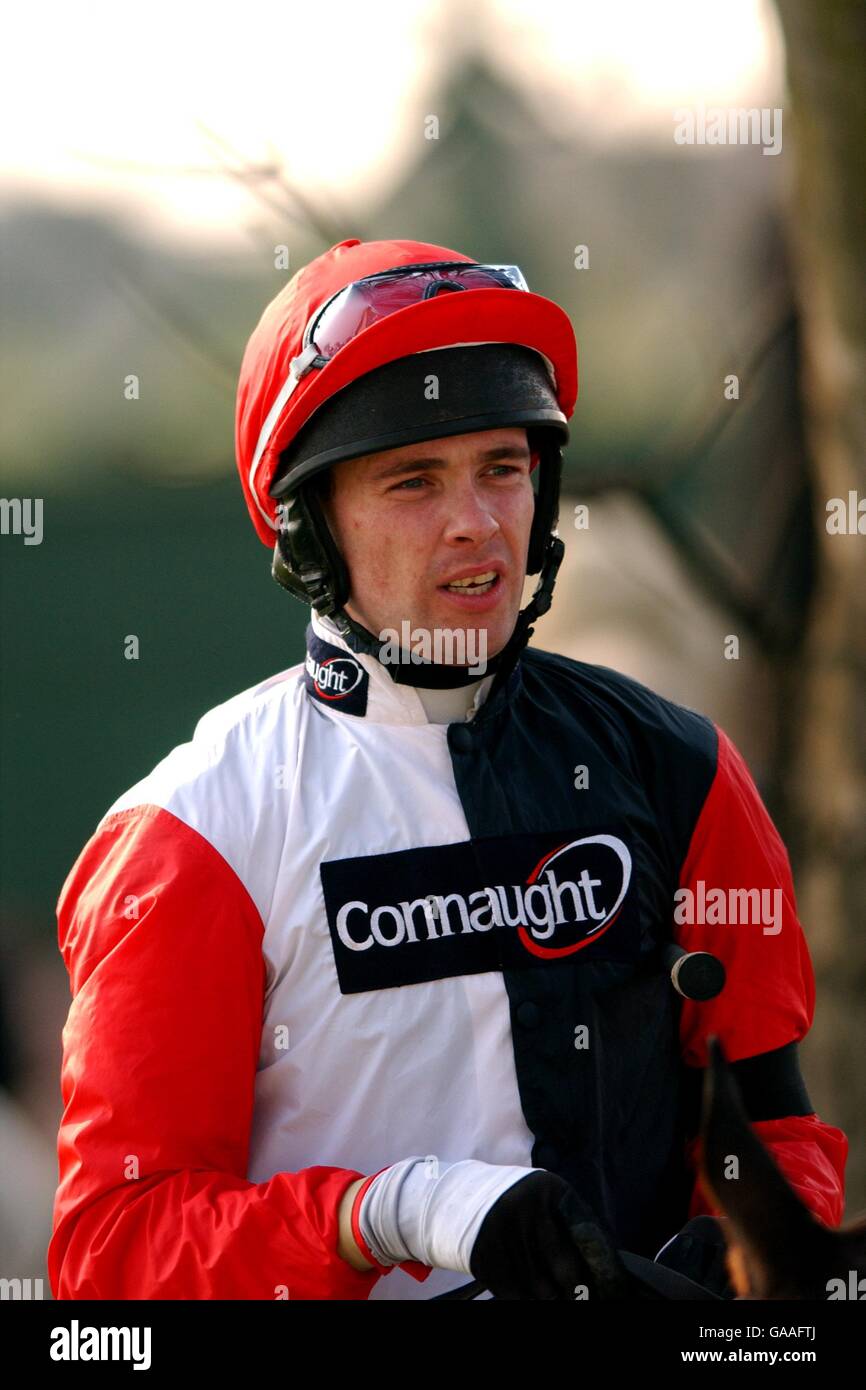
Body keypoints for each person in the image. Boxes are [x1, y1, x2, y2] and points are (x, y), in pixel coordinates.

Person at [48, 238, 848, 1301]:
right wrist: (397, 1212)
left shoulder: (679, 765)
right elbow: (111, 1260)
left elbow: (776, 1126)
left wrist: (745, 1255)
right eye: (413, 480)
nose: (476, 524)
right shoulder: (192, 833)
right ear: (309, 527)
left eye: (502, 467)